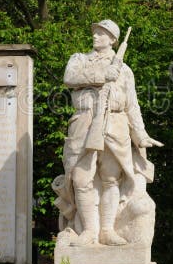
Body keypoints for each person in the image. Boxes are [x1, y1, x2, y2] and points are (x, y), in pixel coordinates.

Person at [59, 20, 162, 246]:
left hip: (116, 123)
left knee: (111, 178)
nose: (95, 36)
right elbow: (70, 77)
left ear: (113, 40)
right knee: (81, 178)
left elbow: (132, 105)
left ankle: (107, 230)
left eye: (101, 33)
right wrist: (103, 74)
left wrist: (141, 134)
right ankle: (89, 231)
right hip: (84, 121)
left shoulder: (124, 70)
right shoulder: (80, 59)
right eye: (95, 32)